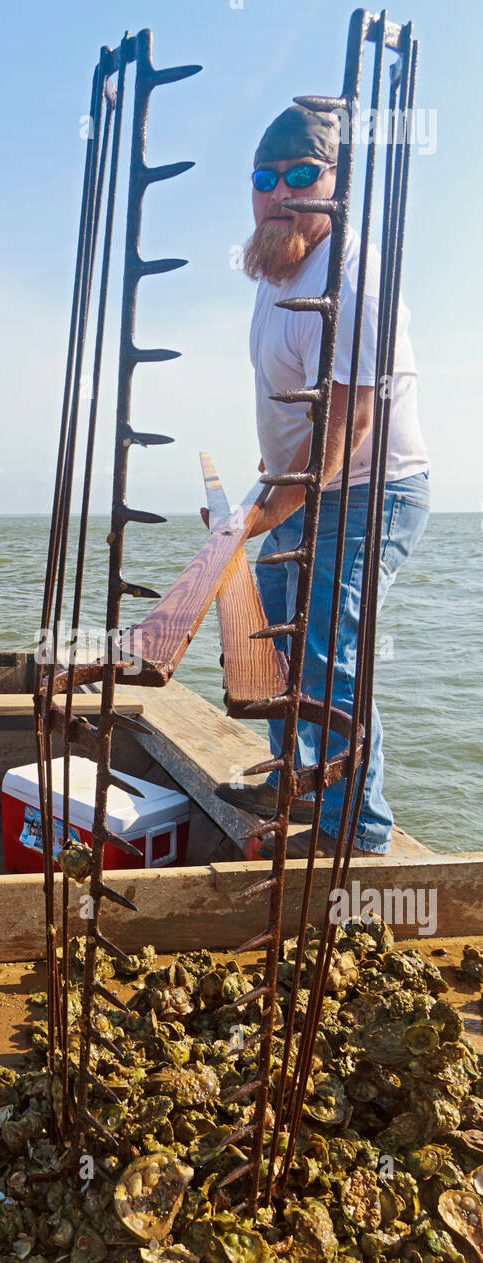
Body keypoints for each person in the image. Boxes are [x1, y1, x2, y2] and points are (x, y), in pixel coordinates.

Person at [214, 105, 430, 857]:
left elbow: (345, 432)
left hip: (367, 492)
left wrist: (266, 509)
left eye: (302, 176)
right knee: (276, 652)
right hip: (300, 489)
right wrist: (268, 488)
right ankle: (291, 783)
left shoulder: (351, 277)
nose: (281, 192)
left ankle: (354, 833)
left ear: (334, 185)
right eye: (265, 178)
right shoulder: (277, 266)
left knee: (324, 654)